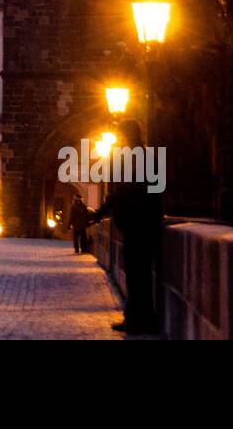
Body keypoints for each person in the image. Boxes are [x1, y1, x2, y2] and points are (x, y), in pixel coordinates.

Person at [90, 119, 163, 335]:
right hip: (143, 223)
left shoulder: (134, 159)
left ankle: (140, 320)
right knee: (138, 273)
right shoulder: (145, 157)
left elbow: (123, 192)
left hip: (138, 224)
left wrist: (103, 212)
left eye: (121, 135)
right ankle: (138, 318)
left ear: (127, 135)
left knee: (137, 273)